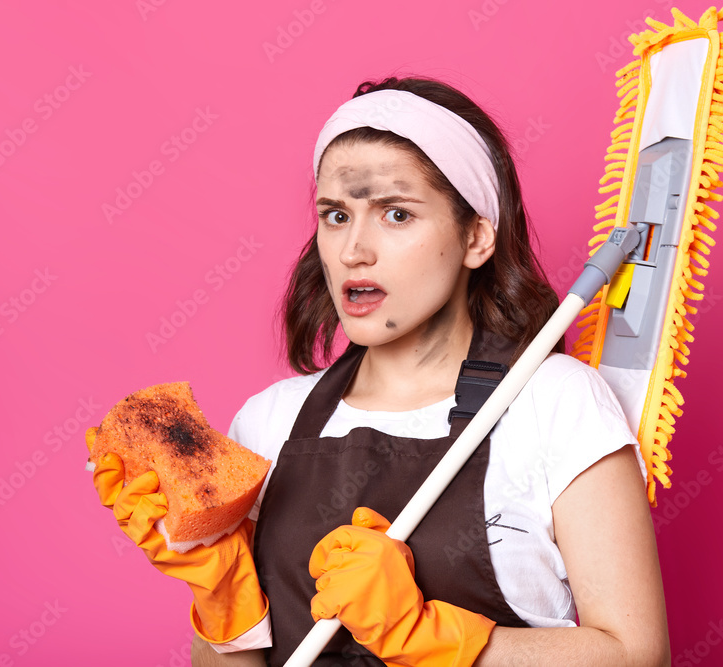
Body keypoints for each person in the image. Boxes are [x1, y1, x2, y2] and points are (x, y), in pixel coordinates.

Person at [94, 75, 670, 666]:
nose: (353, 251)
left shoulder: (554, 402)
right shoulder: (270, 421)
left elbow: (637, 655)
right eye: (335, 215)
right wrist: (222, 592)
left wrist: (424, 635)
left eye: (396, 214)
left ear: (476, 237)